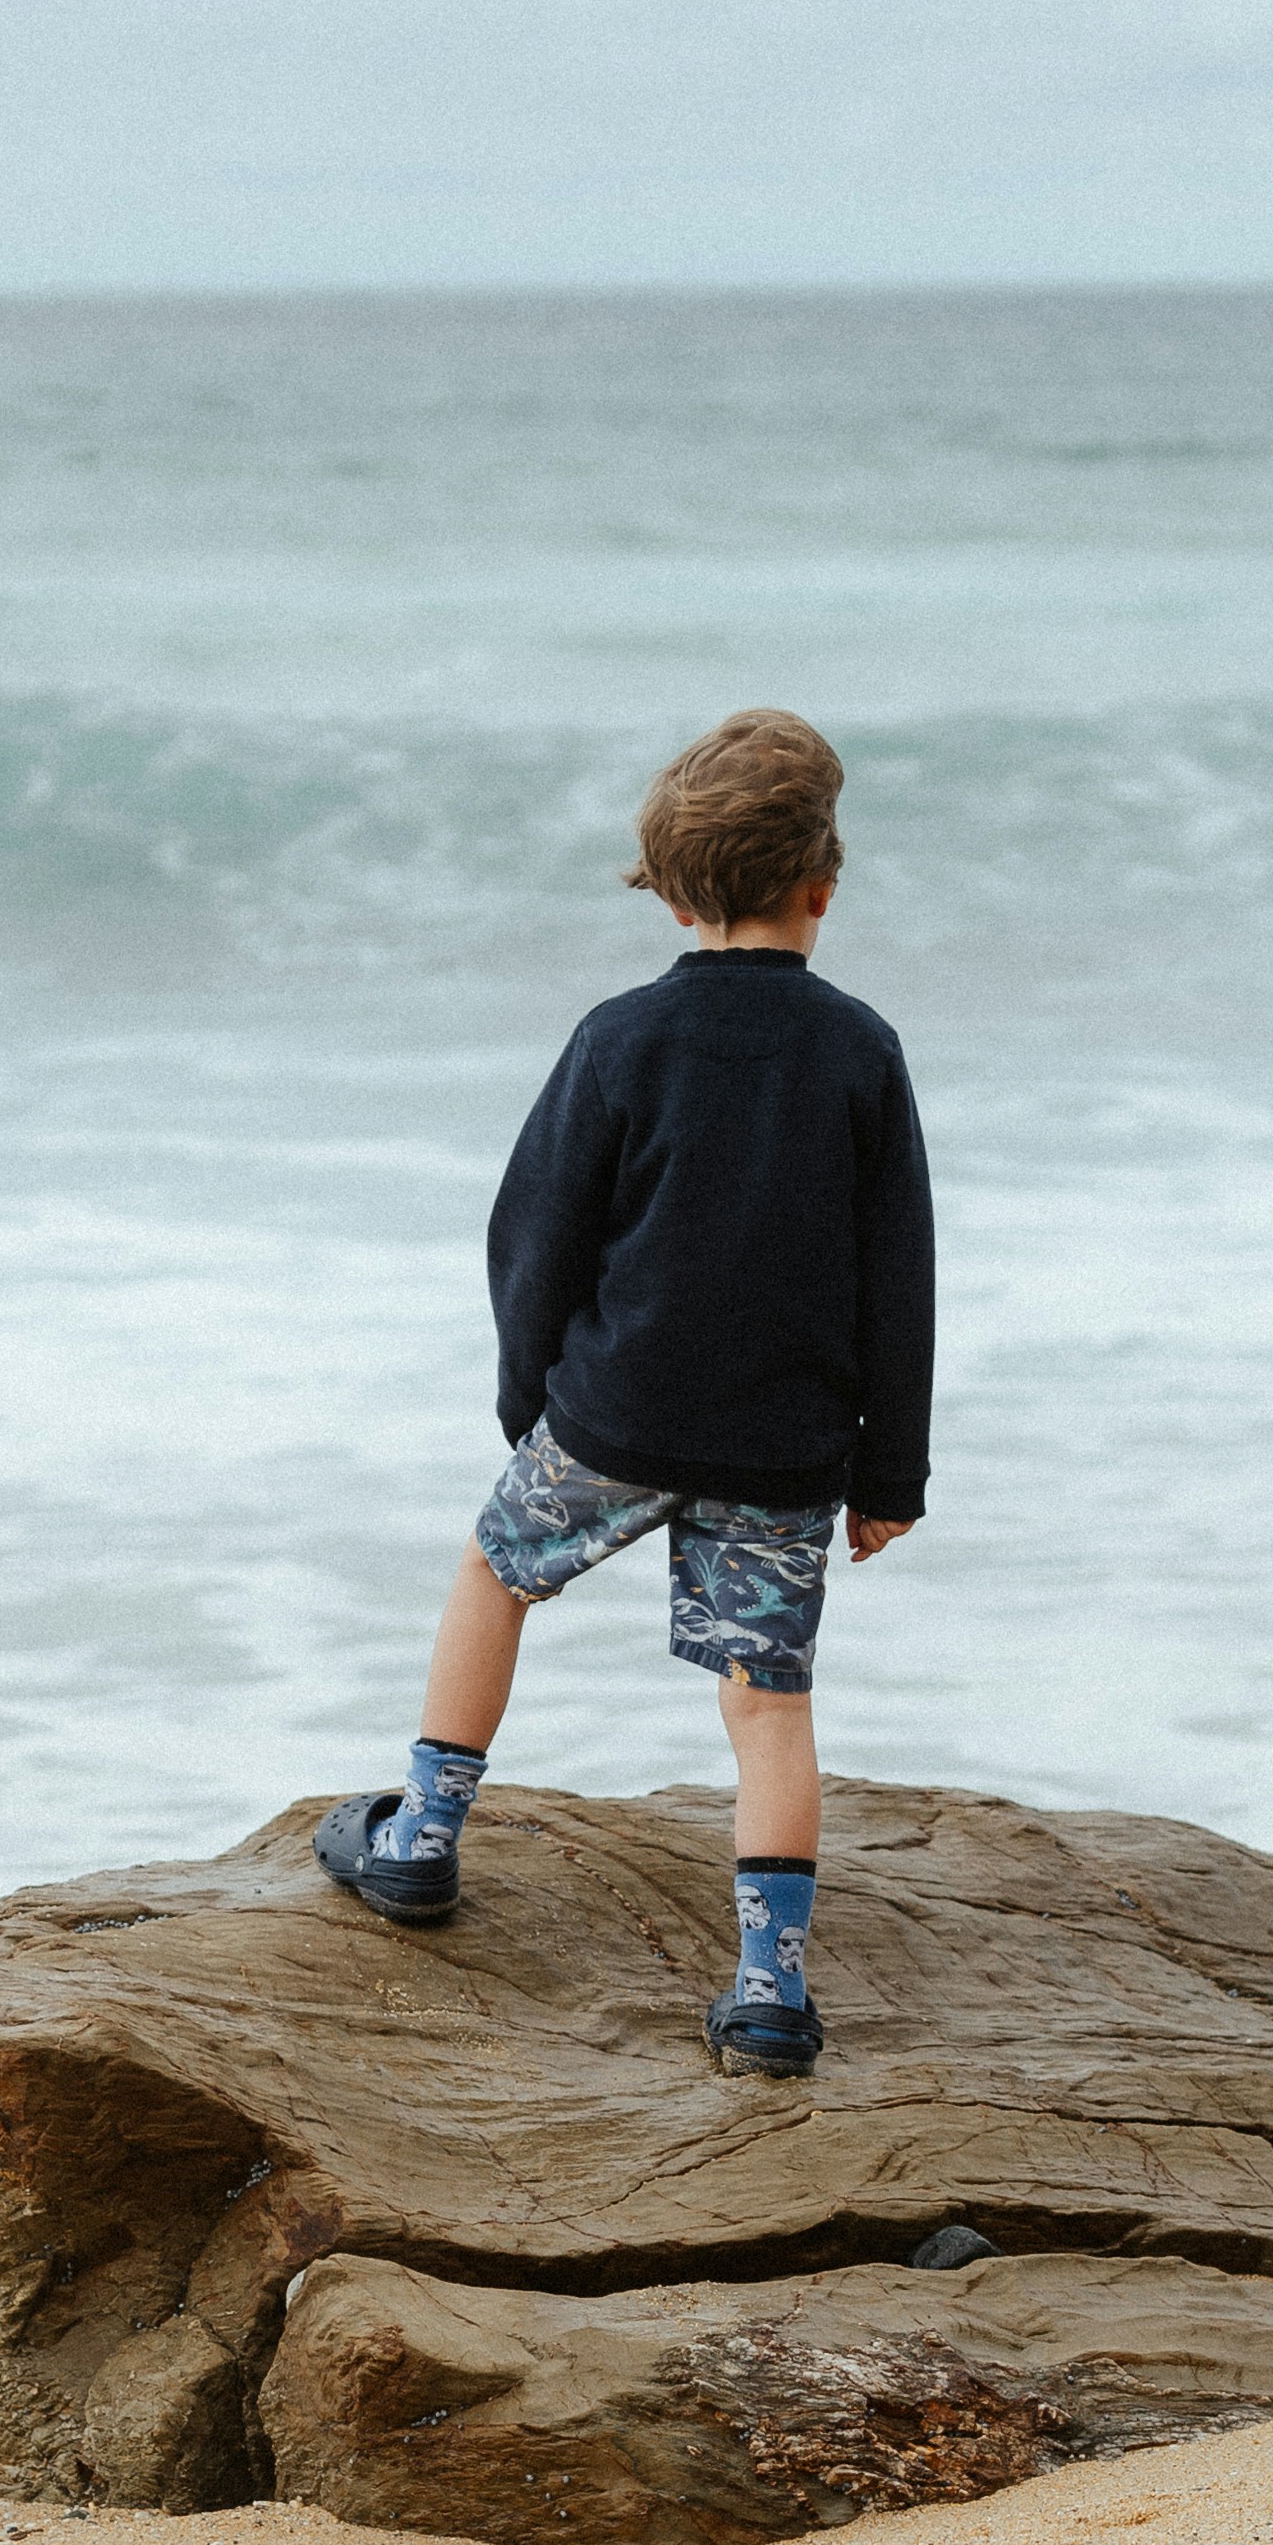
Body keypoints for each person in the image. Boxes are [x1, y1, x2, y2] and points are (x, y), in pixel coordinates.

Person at [315, 708, 934, 2079]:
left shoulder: (621, 1038)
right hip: (785, 1443)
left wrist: (530, 1394)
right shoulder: (861, 1053)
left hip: (611, 1411)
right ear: (822, 886)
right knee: (767, 1699)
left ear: (664, 889)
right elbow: (901, 1276)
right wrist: (891, 1477)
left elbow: (533, 1232)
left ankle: (418, 1841)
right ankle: (769, 1992)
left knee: (495, 1575)